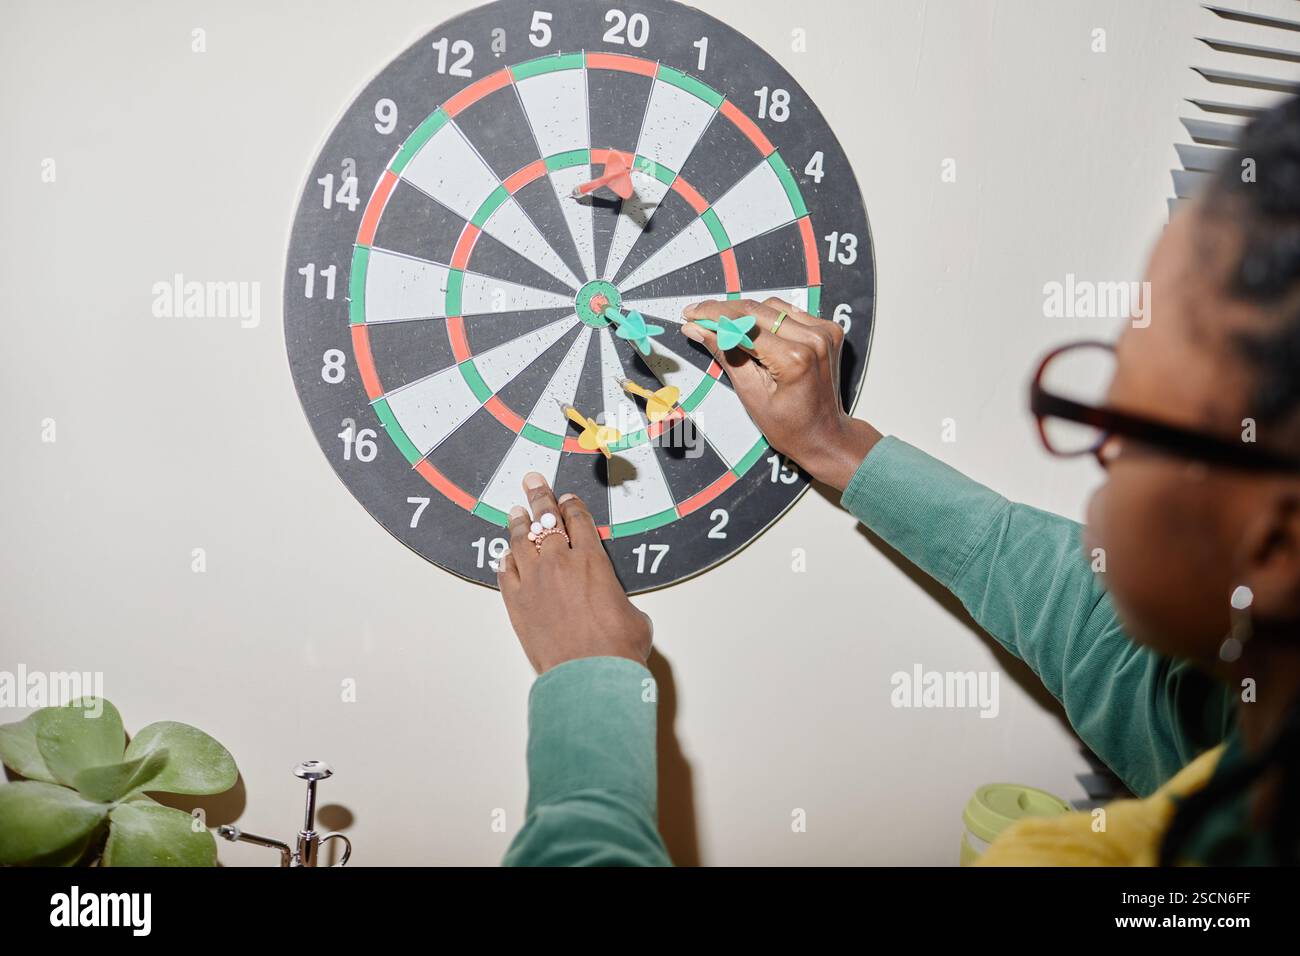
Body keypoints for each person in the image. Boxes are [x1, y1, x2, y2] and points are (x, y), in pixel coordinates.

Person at [495, 95, 1300, 866]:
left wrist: (587, 681)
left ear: (1274, 541)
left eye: (1125, 432)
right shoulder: (1227, 732)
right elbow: (1095, 632)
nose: (1095, 467)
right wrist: (836, 446)